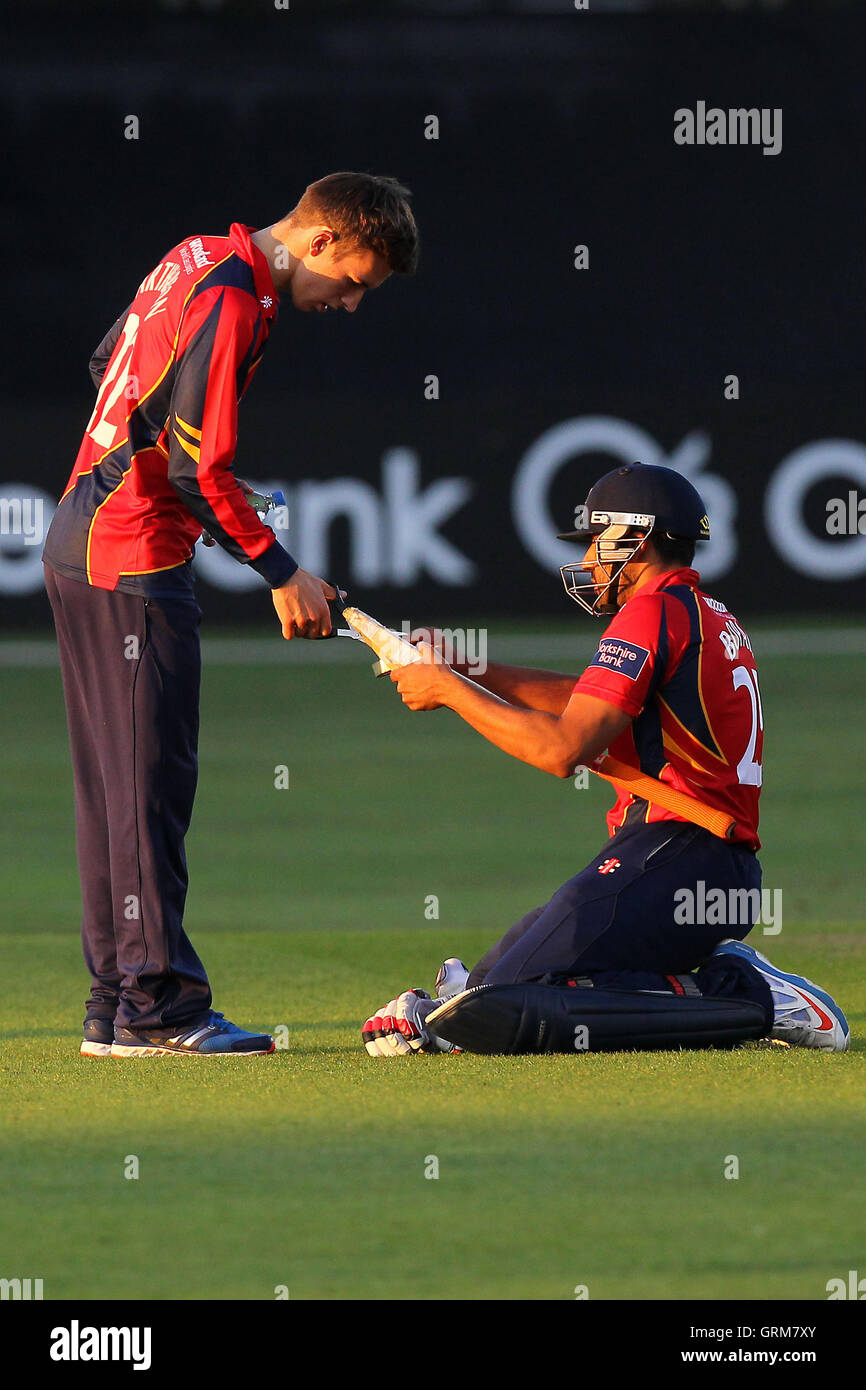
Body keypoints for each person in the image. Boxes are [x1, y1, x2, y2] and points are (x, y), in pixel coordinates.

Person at [43, 172, 419, 1058]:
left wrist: (189, 485)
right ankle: (157, 1010)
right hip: (131, 554)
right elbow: (189, 468)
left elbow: (110, 368)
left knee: (111, 792)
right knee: (147, 791)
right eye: (355, 282)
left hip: (80, 530)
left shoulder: (195, 255)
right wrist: (283, 569)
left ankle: (115, 1001)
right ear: (322, 240)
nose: (352, 303)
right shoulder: (239, 295)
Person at [362, 462, 849, 1057]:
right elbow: (590, 702)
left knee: (513, 997)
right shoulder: (697, 610)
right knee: (481, 994)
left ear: (632, 537)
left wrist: (447, 690)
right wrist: (468, 665)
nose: (590, 559)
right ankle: (712, 971)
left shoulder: (652, 612)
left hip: (682, 855)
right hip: (696, 865)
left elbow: (562, 749)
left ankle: (755, 995)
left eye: (596, 540)